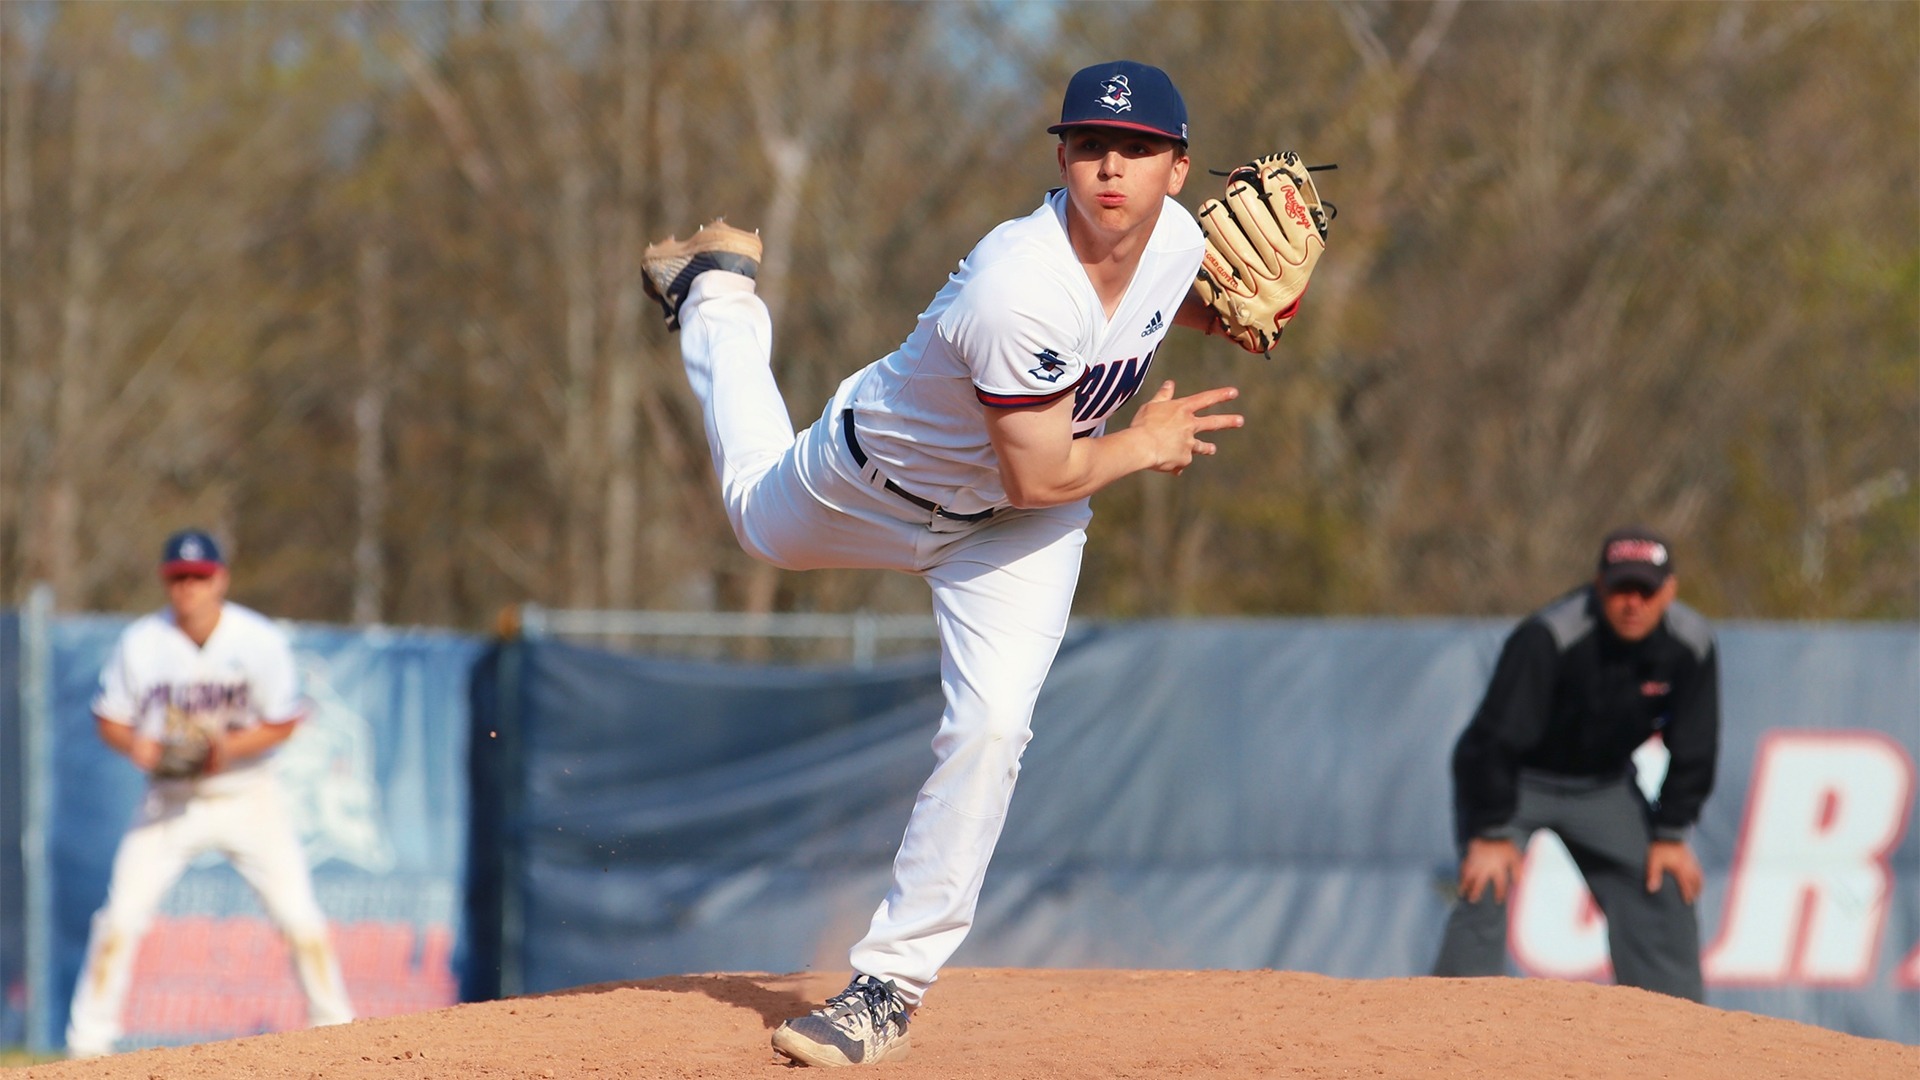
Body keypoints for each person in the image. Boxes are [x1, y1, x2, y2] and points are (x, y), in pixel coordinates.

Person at [642, 61, 1257, 1067]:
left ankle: (888, 984)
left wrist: (1240, 315)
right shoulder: (1016, 284)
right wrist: (1144, 447)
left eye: (1139, 149)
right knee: (754, 516)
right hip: (876, 481)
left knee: (990, 728)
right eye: (1091, 146)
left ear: (1179, 169)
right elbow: (1038, 474)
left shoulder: (1181, 245)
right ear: (1060, 156)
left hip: (1013, 536)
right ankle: (715, 301)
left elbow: (1148, 314)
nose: (1112, 167)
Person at [65, 529, 353, 1058]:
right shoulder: (141, 642)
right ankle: (88, 1050)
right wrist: (137, 746)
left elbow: (285, 720)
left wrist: (232, 746)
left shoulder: (257, 639)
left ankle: (337, 1030)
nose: (189, 587)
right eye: (179, 577)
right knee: (120, 919)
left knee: (299, 918)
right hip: (169, 801)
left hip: (247, 795)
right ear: (165, 581)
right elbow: (109, 720)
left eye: (199, 576)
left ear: (220, 578)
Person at [1431, 526, 1720, 1001]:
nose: (1633, 603)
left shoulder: (1690, 644)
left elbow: (1696, 744)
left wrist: (1670, 834)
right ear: (1599, 585)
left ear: (1669, 590)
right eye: (1622, 588)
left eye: (1646, 591)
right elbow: (1494, 740)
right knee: (1487, 882)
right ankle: (1453, 1026)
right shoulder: (1551, 636)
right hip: (1515, 780)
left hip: (1602, 787)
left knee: (1664, 882)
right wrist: (1488, 831)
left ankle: (1676, 1037)